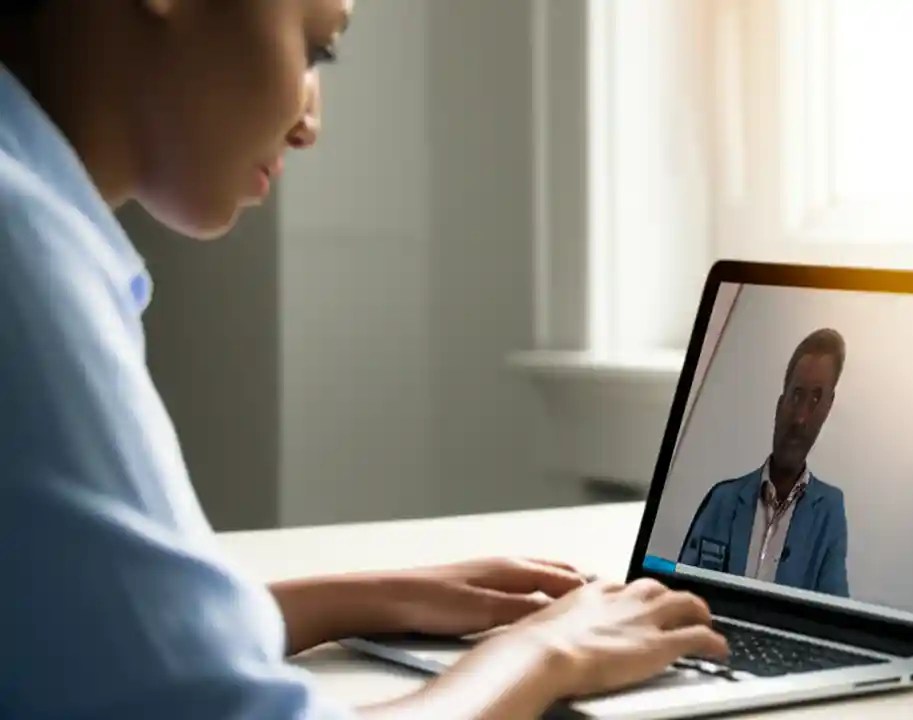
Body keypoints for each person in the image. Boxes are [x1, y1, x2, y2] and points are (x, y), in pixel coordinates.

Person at [0, 1, 727, 718]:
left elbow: (64, 634)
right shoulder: (21, 250)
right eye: (317, 49)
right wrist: (545, 652)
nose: (310, 124)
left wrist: (366, 598)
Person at [678, 328, 850, 597]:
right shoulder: (722, 500)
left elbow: (834, 612)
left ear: (827, 409)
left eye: (816, 399)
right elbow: (680, 595)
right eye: (796, 395)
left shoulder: (829, 511)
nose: (800, 418)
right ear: (780, 404)